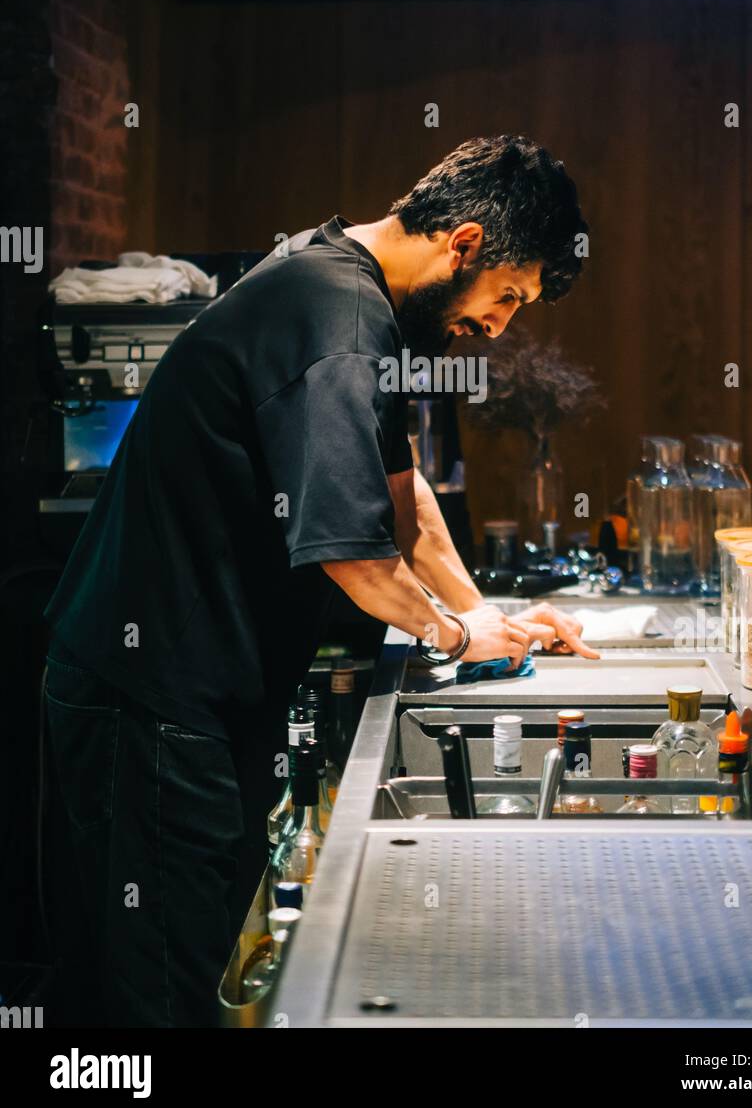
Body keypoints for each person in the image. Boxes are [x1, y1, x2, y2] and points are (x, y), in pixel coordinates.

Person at [43, 134, 596, 1027]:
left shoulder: (334, 273)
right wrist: (455, 638)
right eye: (507, 298)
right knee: (149, 997)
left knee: (180, 961)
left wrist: (481, 614)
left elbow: (400, 498)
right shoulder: (341, 319)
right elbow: (354, 552)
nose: (498, 327)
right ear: (463, 245)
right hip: (146, 698)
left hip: (183, 691)